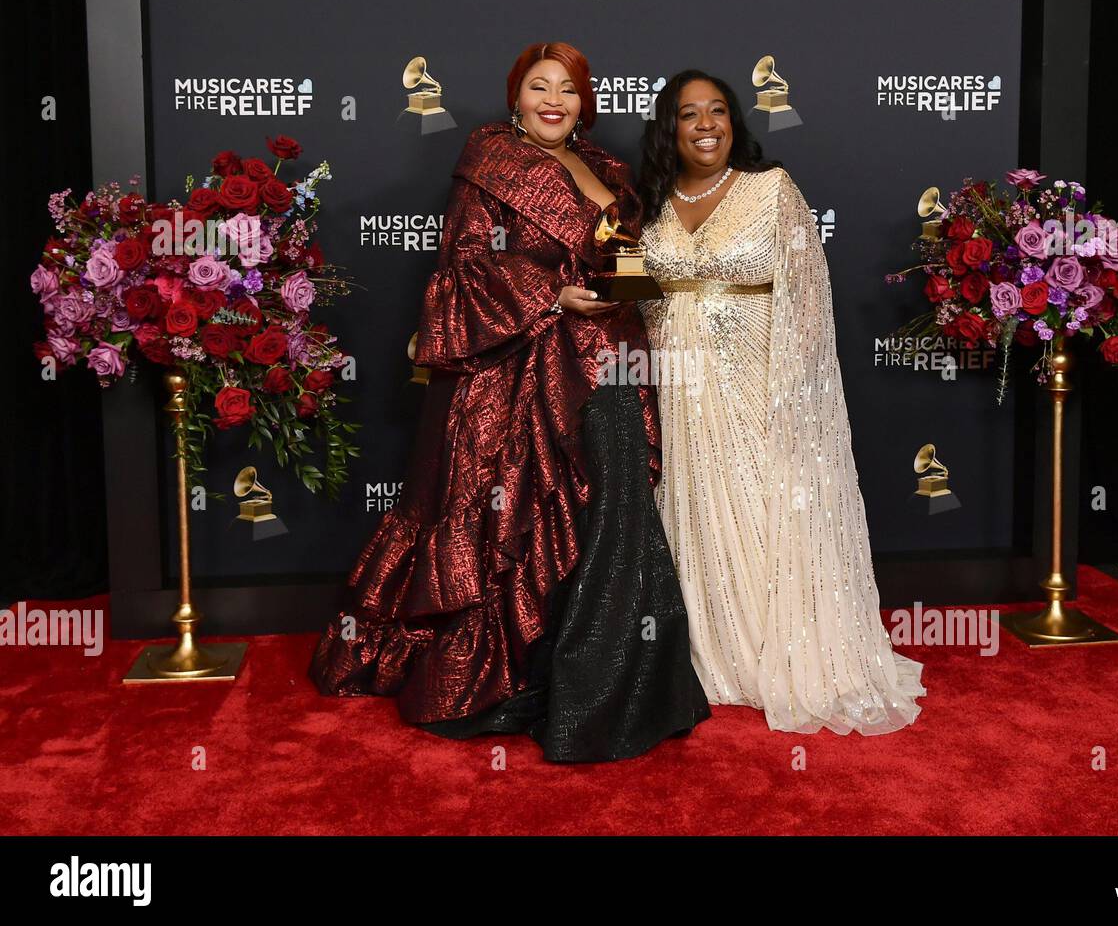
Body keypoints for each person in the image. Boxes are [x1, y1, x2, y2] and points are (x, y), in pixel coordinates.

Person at [310, 43, 709, 761]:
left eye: (568, 88)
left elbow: (622, 259)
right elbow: (459, 275)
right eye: (538, 86)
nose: (553, 99)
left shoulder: (612, 173)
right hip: (519, 377)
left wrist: (628, 285)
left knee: (612, 517)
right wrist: (548, 293)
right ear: (515, 98)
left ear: (585, 103)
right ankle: (520, 686)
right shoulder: (488, 165)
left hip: (608, 364)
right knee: (518, 526)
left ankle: (612, 686)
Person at [636, 70, 925, 735]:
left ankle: (781, 652)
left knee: (762, 510)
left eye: (717, 111)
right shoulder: (651, 203)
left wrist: (798, 400)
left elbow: (807, 297)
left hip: (757, 384)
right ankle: (715, 654)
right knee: (697, 510)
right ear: (670, 129)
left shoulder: (771, 190)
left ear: (735, 121)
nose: (706, 124)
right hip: (679, 390)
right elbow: (642, 299)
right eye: (689, 114)